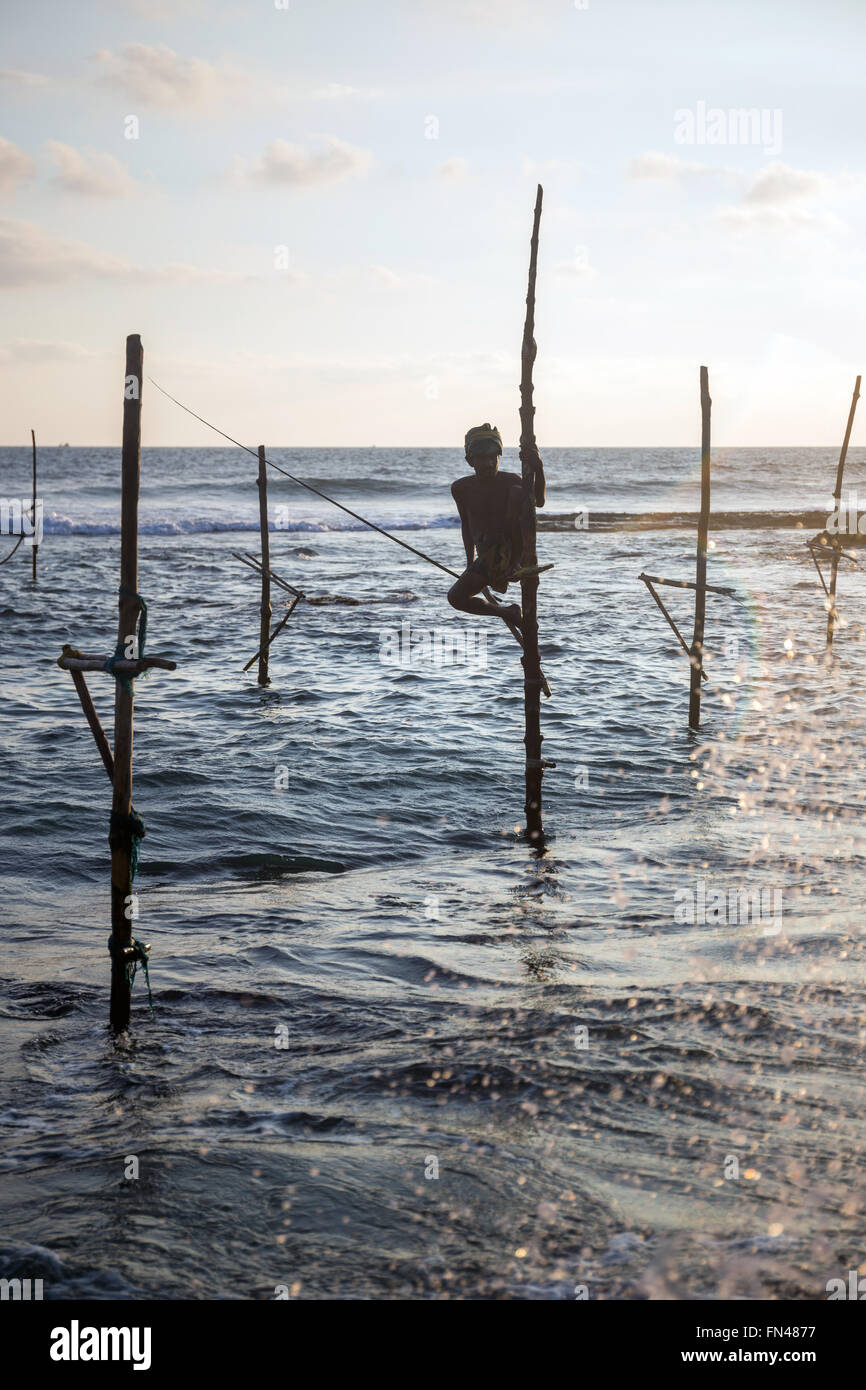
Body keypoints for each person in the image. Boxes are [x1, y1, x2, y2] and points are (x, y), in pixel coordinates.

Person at [447, 422, 546, 627]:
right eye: (483, 458)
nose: (490, 463)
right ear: (470, 461)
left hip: (513, 554)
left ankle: (515, 564)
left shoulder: (510, 482)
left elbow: (539, 501)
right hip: (487, 558)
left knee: (518, 492)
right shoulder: (461, 488)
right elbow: (467, 525)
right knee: (455, 597)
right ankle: (507, 612)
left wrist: (538, 467)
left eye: (494, 457)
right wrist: (469, 562)